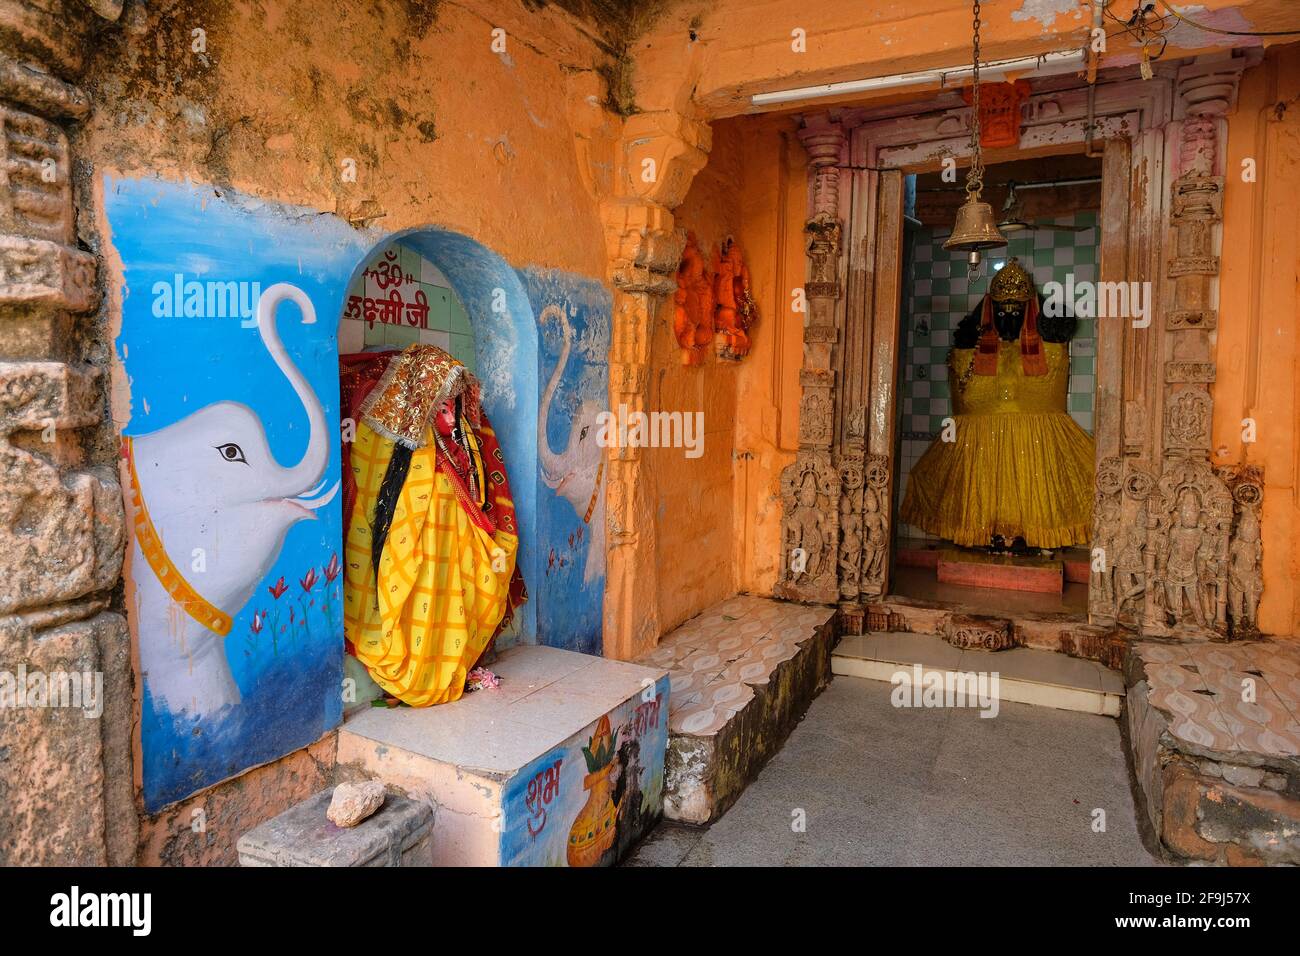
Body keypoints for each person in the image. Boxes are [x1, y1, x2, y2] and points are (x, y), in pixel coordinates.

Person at [343, 344, 525, 706]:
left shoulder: (460, 436)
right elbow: (380, 492)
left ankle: (448, 660)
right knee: (410, 599)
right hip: (412, 543)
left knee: (471, 589)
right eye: (442, 401)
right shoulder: (394, 438)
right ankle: (417, 667)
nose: (450, 411)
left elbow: (478, 485)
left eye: (454, 402)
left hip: (454, 542)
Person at [900, 258, 1094, 551]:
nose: (1009, 316)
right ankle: (993, 536)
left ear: (1031, 309)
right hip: (976, 444)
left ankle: (1023, 539)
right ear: (990, 309)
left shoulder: (1052, 342)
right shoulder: (969, 349)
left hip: (1039, 441)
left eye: (1017, 310)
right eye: (1002, 309)